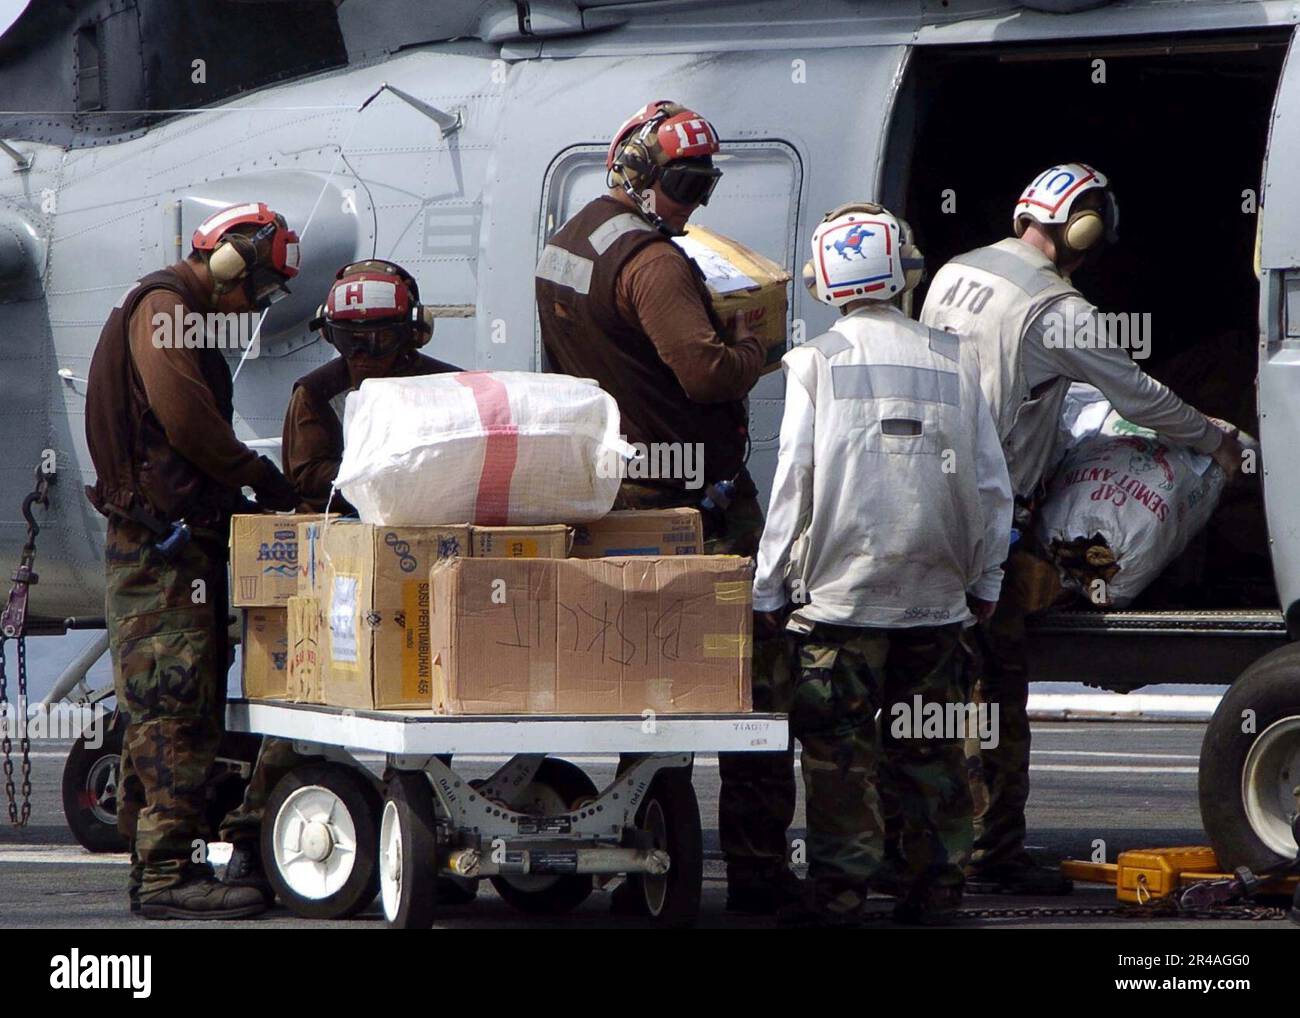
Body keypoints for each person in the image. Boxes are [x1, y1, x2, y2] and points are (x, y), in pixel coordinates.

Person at [919, 163, 1245, 895]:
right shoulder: (1057, 308)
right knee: (993, 691)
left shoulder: (953, 274)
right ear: (1083, 228)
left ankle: (913, 846)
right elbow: (1139, 395)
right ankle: (991, 853)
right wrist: (1212, 440)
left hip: (924, 501)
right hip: (987, 519)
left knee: (925, 683)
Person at [535, 99, 798, 912]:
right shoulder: (653, 263)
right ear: (643, 176)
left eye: (705, 185)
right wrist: (761, 347)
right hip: (696, 506)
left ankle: (635, 853)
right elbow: (704, 372)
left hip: (621, 496)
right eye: (685, 183)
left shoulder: (568, 241)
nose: (694, 203)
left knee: (648, 685)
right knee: (759, 686)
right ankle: (756, 873)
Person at [755, 202, 1011, 926]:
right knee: (928, 745)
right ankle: (935, 887)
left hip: (839, 600)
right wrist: (986, 578)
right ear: (906, 273)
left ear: (824, 283)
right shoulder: (952, 357)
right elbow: (993, 485)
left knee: (840, 755)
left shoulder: (813, 364)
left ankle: (840, 890)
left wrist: (769, 585)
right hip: (937, 596)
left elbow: (792, 483)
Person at [85, 201, 301, 919]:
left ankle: (157, 864)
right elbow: (185, 419)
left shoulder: (176, 312)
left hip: (171, 549)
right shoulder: (167, 308)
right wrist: (256, 475)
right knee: (175, 713)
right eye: (255, 285)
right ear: (230, 258)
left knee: (168, 712)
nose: (253, 303)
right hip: (162, 554)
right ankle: (164, 879)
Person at [219, 260, 459, 896]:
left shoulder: (450, 390)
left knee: (433, 725)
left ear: (412, 335)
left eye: (378, 338)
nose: (365, 354)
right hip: (341, 578)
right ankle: (248, 838)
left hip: (423, 576)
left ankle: (430, 843)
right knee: (298, 716)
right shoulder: (315, 394)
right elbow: (308, 479)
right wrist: (383, 476)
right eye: (350, 340)